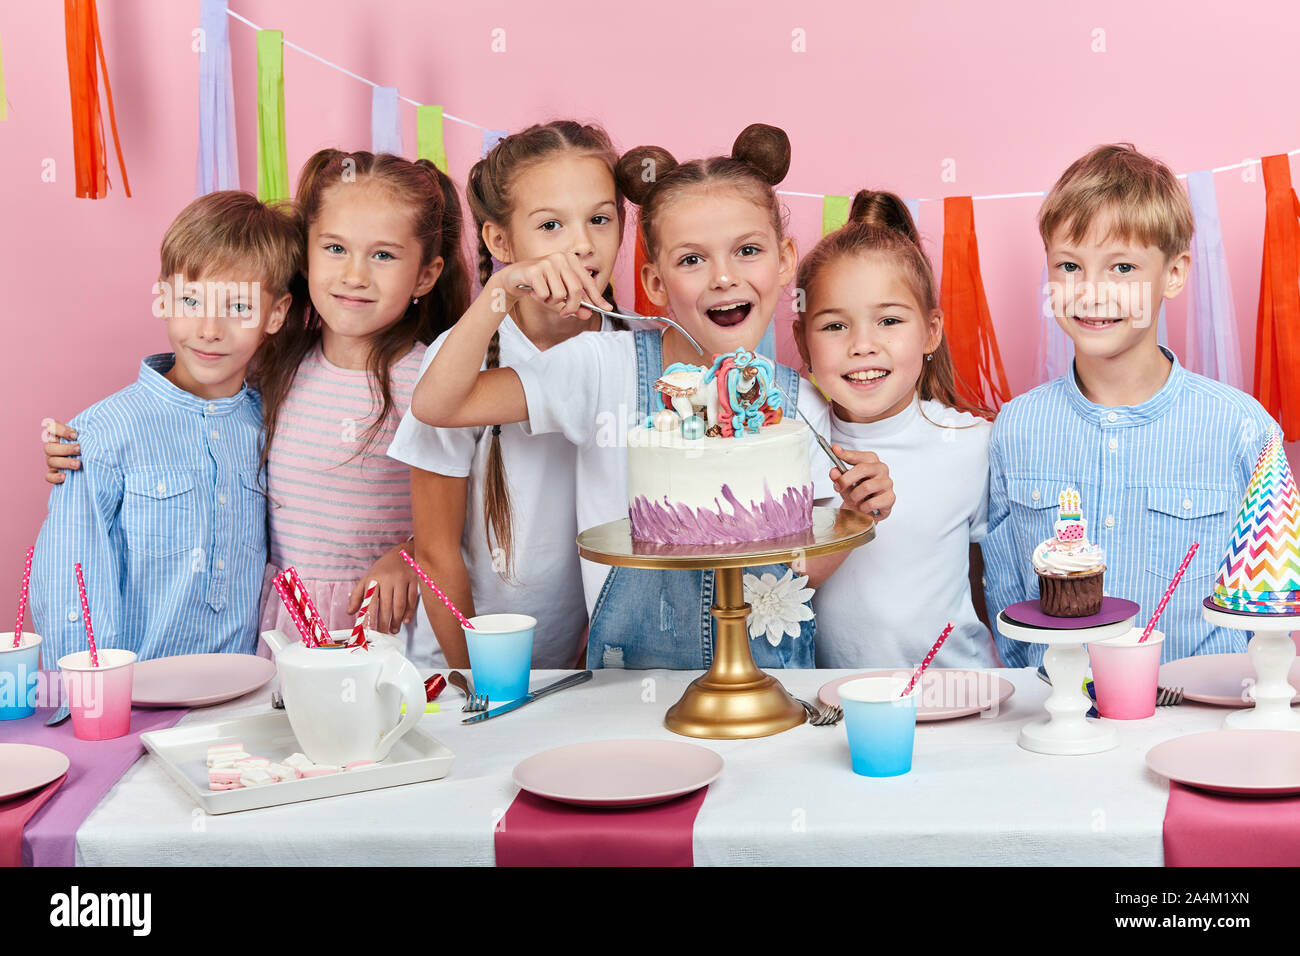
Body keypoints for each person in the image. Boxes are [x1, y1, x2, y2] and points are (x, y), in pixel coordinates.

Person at [411, 124, 894, 669]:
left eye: (748, 250)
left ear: (784, 261)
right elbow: (439, 405)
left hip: (769, 686)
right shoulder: (603, 365)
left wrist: (855, 519)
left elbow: (800, 568)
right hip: (628, 693)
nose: (723, 277)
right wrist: (502, 288)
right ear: (655, 282)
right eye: (692, 260)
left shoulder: (799, 404)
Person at [982, 144, 1278, 666]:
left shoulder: (1241, 428)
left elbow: (1267, 600)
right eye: (1070, 266)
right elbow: (1008, 599)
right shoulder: (1017, 427)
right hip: (1060, 715)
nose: (1092, 291)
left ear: (1174, 273)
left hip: (1196, 716)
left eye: (1121, 267)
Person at [388, 121, 626, 668]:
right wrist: (476, 678)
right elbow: (435, 551)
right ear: (500, 241)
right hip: (458, 667)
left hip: (577, 670)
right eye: (551, 224)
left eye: (599, 219)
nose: (583, 243)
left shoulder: (632, 351)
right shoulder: (460, 360)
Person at [30, 191, 297, 662]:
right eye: (191, 301)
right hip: (132, 702)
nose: (210, 329)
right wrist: (90, 701)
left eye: (239, 308)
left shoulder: (274, 425)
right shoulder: (98, 433)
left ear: (275, 314)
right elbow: (73, 580)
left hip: (244, 694)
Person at [793, 190, 995, 668]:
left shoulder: (972, 445)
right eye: (835, 326)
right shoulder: (785, 443)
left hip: (955, 702)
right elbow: (769, 594)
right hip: (830, 709)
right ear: (802, 339)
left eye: (888, 321)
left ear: (930, 332)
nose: (863, 345)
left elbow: (992, 588)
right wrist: (849, 517)